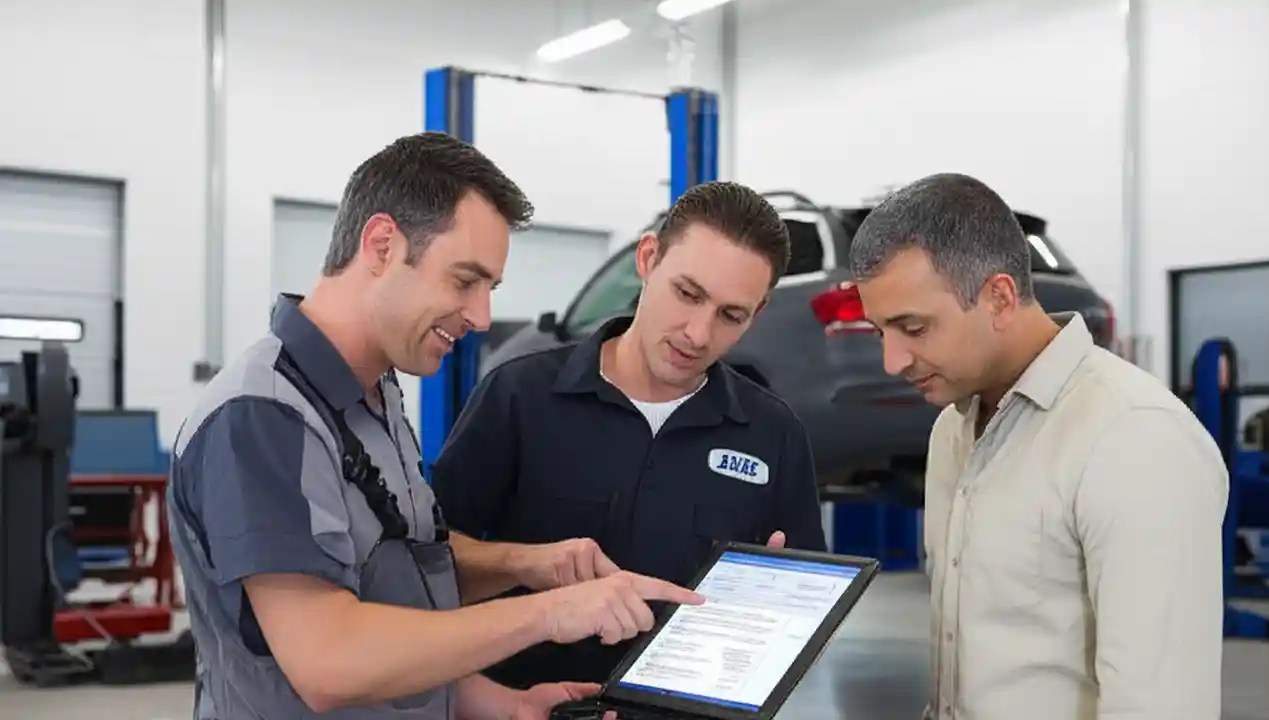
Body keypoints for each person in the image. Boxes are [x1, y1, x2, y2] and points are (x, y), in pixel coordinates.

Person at [166, 132, 703, 720]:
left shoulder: (376, 398)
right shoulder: (264, 417)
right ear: (381, 244)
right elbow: (329, 660)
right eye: (464, 280)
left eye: (489, 289)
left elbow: (397, 604)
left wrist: (507, 699)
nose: (481, 316)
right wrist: (550, 613)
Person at [846, 172, 1228, 720]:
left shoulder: (1134, 437)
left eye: (914, 327)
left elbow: (1160, 706)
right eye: (880, 331)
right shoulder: (952, 431)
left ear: (999, 298)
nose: (893, 361)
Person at [430, 180, 827, 690]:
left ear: (759, 312)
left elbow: (802, 626)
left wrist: (778, 604)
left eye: (731, 316)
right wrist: (524, 564)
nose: (698, 334)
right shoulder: (519, 396)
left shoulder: (775, 436)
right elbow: (425, 563)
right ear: (647, 258)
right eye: (688, 294)